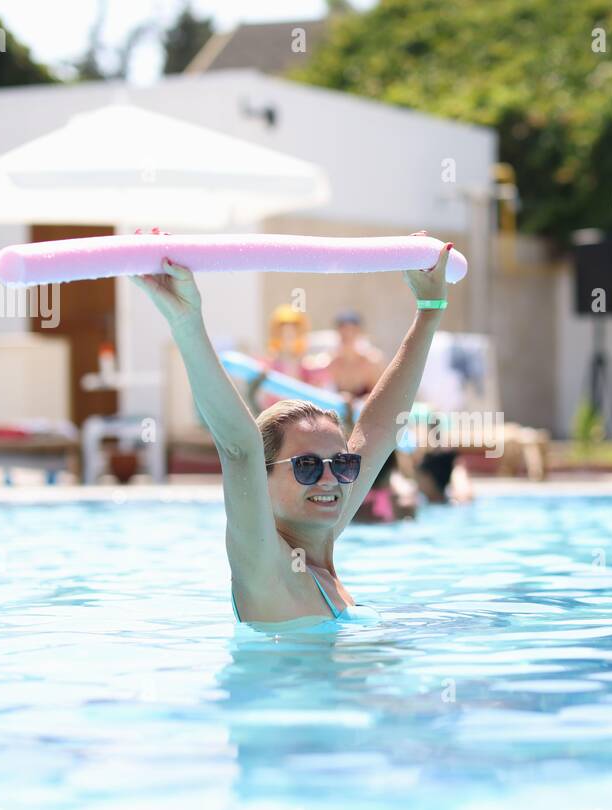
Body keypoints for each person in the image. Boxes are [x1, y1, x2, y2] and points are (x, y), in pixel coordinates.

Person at [130, 228, 452, 623]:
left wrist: (430, 308)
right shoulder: (265, 567)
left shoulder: (321, 538)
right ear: (260, 480)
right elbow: (239, 448)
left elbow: (381, 429)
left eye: (343, 464)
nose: (330, 479)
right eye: (306, 466)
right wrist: (186, 322)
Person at [326, 311, 385, 401]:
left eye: (352, 331)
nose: (348, 334)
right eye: (344, 332)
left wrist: (358, 402)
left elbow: (383, 394)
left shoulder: (372, 362)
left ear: (359, 332)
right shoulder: (331, 362)